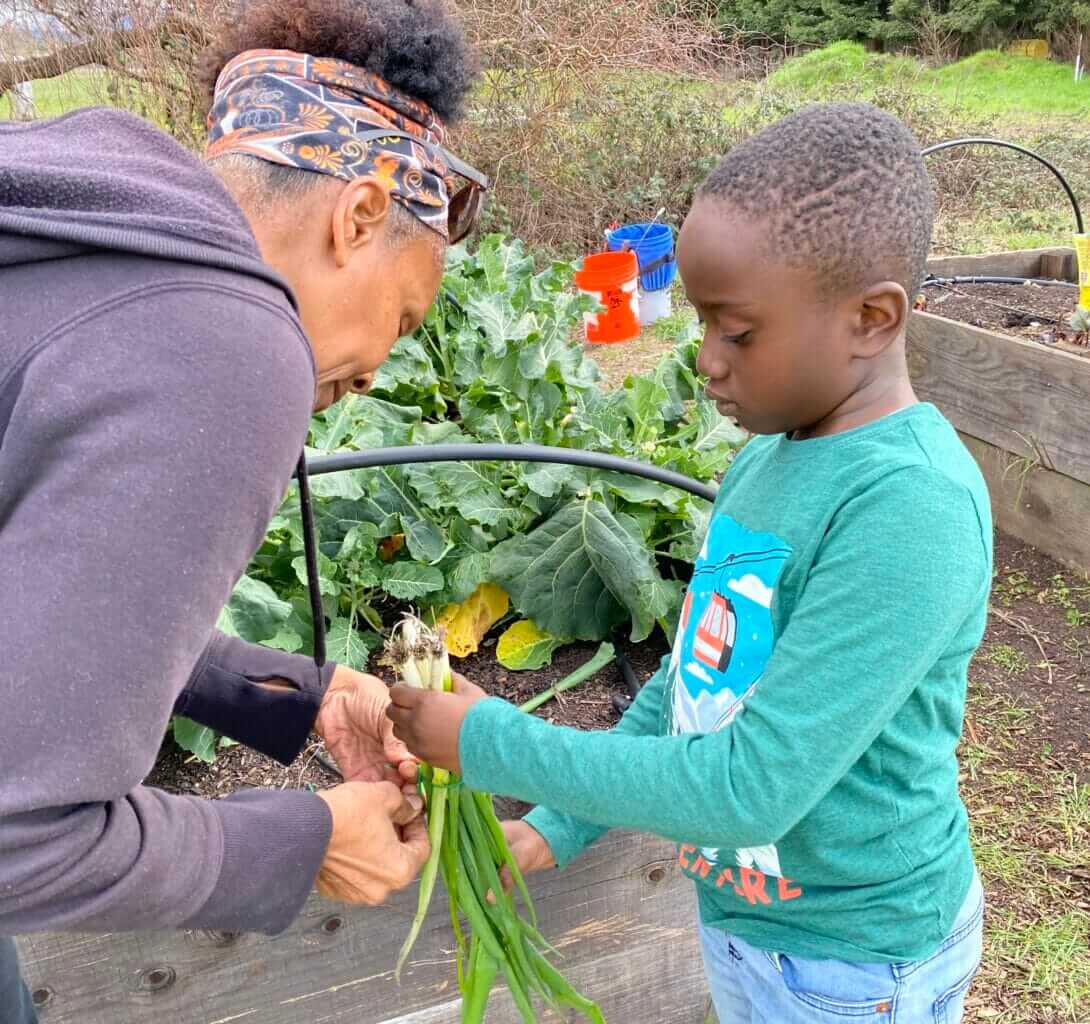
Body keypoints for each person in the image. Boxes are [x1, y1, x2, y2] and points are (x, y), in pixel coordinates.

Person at [389, 102, 993, 1022]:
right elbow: (687, 690)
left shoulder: (910, 507)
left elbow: (750, 789)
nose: (705, 360)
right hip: (745, 919)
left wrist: (490, 743)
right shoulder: (767, 460)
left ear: (871, 319)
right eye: (703, 323)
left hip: (854, 962)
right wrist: (557, 825)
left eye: (737, 332)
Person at [0, 1, 483, 1019]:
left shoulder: (83, 219)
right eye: (402, 318)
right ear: (359, 216)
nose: (376, 368)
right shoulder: (229, 342)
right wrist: (307, 842)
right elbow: (19, 836)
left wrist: (298, 694)